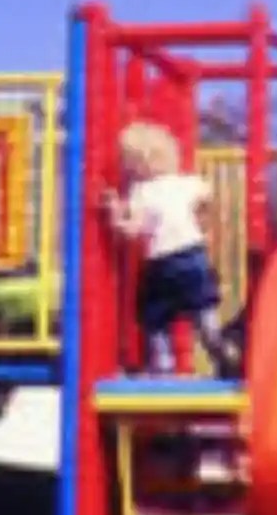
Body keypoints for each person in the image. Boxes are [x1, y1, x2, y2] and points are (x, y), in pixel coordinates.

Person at [102, 121, 238, 377]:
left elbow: (132, 230)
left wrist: (114, 213)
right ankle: (221, 351)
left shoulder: (141, 191)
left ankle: (163, 364)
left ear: (138, 163)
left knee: (154, 317)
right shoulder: (187, 183)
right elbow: (207, 200)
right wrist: (205, 225)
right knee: (202, 312)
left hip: (162, 262)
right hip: (193, 256)